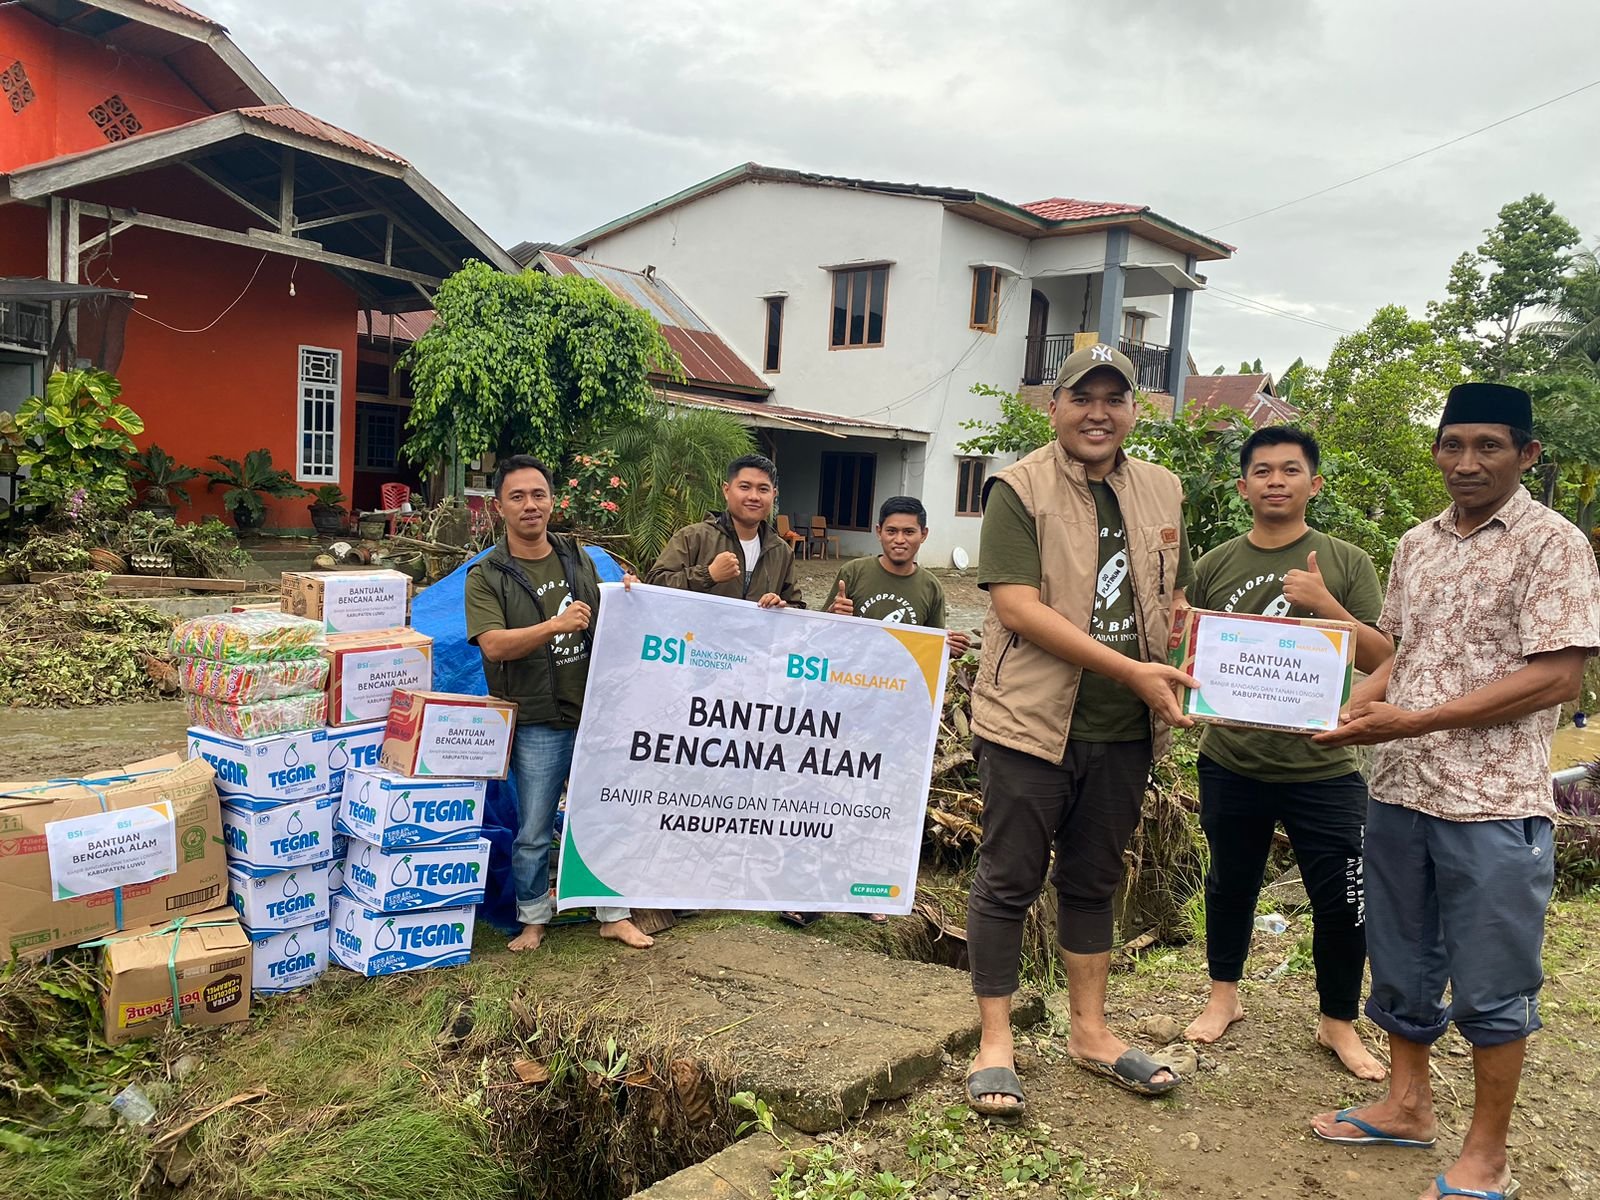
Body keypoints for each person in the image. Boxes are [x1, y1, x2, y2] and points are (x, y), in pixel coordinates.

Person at [1309, 383, 1600, 1200]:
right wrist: (1345, 714)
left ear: (1526, 455)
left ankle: (1487, 1151)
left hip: (1494, 804)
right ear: (1435, 449)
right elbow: (1399, 655)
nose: (1466, 463)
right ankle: (1407, 1106)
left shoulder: (1555, 545)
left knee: (1493, 982)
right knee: (1401, 964)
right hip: (1400, 793)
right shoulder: (1416, 543)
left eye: (1489, 447)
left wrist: (1412, 722)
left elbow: (1557, 677)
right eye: (1452, 445)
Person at [963, 342, 1199, 1117]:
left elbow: (1175, 598)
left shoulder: (1163, 489)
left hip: (1125, 730)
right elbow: (1017, 607)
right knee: (1008, 880)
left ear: (1135, 411)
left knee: (1094, 880)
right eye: (1083, 397)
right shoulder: (1018, 487)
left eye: (1115, 399)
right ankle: (995, 1042)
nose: (1099, 413)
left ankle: (1089, 1032)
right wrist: (1129, 669)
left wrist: (1201, 645)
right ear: (1055, 406)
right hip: (1031, 723)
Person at [1180, 426, 1393, 1081]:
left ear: (1314, 484)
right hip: (1233, 760)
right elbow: (1191, 652)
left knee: (1343, 899)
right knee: (1230, 883)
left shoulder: (1346, 562)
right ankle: (1224, 997)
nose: (1277, 480)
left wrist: (1325, 606)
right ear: (1242, 486)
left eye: (1291, 470)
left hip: (1324, 767)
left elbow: (1385, 657)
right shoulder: (1214, 564)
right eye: (1263, 471)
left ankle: (1337, 1021)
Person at [464, 454, 655, 953]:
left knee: (606, 814)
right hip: (536, 720)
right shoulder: (487, 574)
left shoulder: (576, 557)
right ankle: (533, 919)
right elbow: (493, 645)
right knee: (533, 826)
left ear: (552, 500)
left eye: (539, 495)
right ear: (499, 507)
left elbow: (606, 612)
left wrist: (630, 596)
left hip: (594, 712)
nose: (530, 505)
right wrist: (554, 625)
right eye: (518, 497)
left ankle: (613, 914)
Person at [777, 496, 969, 929]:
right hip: (843, 708)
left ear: (924, 535)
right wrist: (835, 613)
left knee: (876, 802)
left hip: (894, 716)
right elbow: (824, 635)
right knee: (825, 798)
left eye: (909, 532)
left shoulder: (931, 588)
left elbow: (930, 651)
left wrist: (948, 647)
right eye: (892, 531)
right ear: (879, 532)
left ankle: (867, 889)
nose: (900, 539)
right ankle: (806, 893)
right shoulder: (854, 574)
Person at [646, 453, 805, 609]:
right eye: (745, 487)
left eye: (763, 489)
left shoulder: (781, 551)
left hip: (753, 635)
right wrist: (708, 575)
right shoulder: (693, 538)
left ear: (774, 495)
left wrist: (780, 607)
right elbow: (654, 585)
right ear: (727, 490)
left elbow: (795, 605)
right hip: (697, 635)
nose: (754, 496)